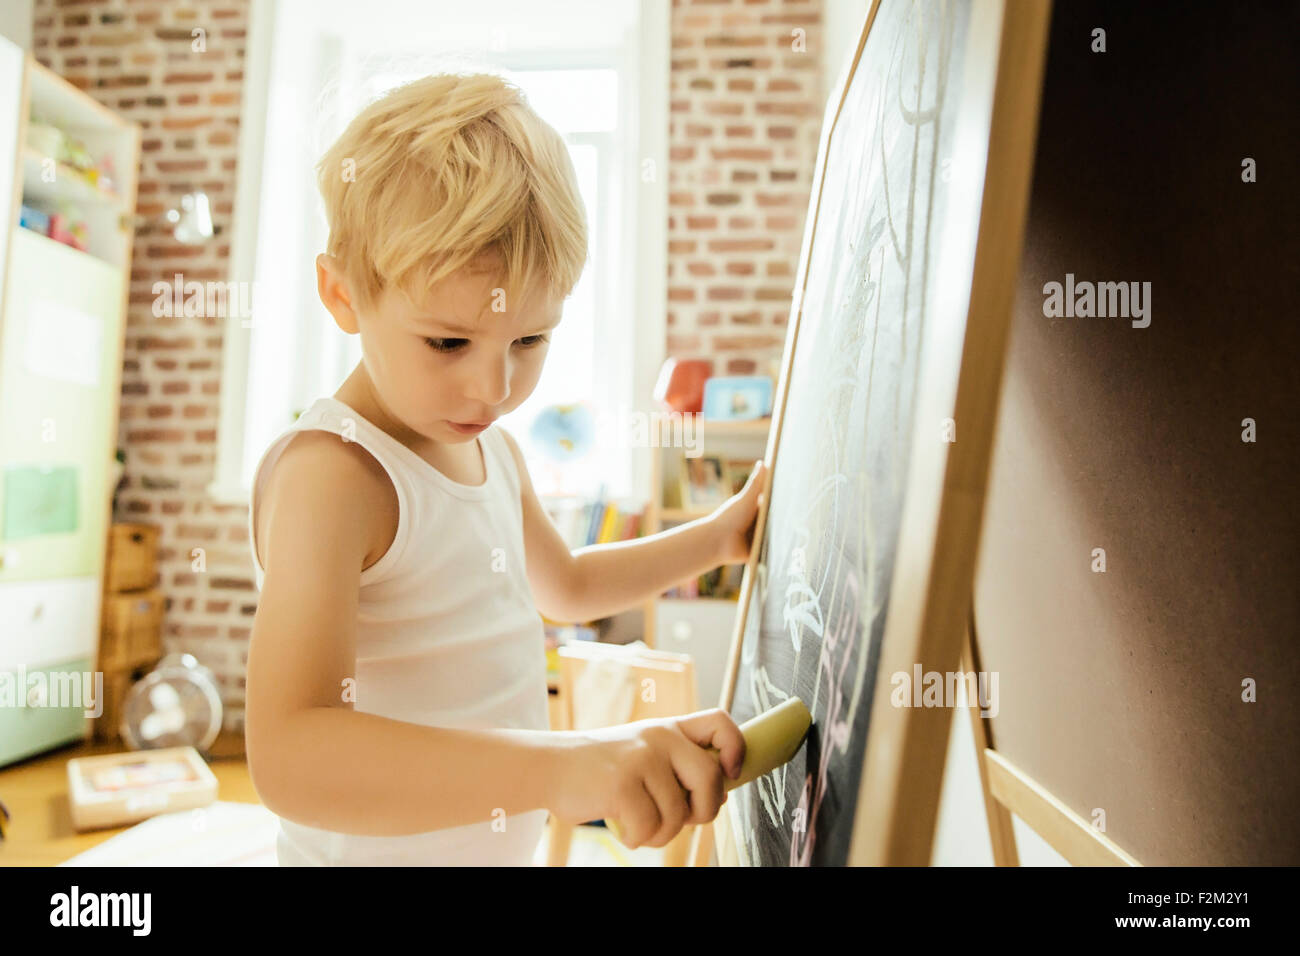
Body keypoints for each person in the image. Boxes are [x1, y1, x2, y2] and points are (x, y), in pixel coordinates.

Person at [244, 73, 768, 865]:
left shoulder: (491, 448)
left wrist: (718, 537)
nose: (494, 389)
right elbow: (290, 754)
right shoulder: (335, 475)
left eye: (529, 342)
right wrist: (565, 768)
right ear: (342, 295)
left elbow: (569, 587)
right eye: (448, 343)